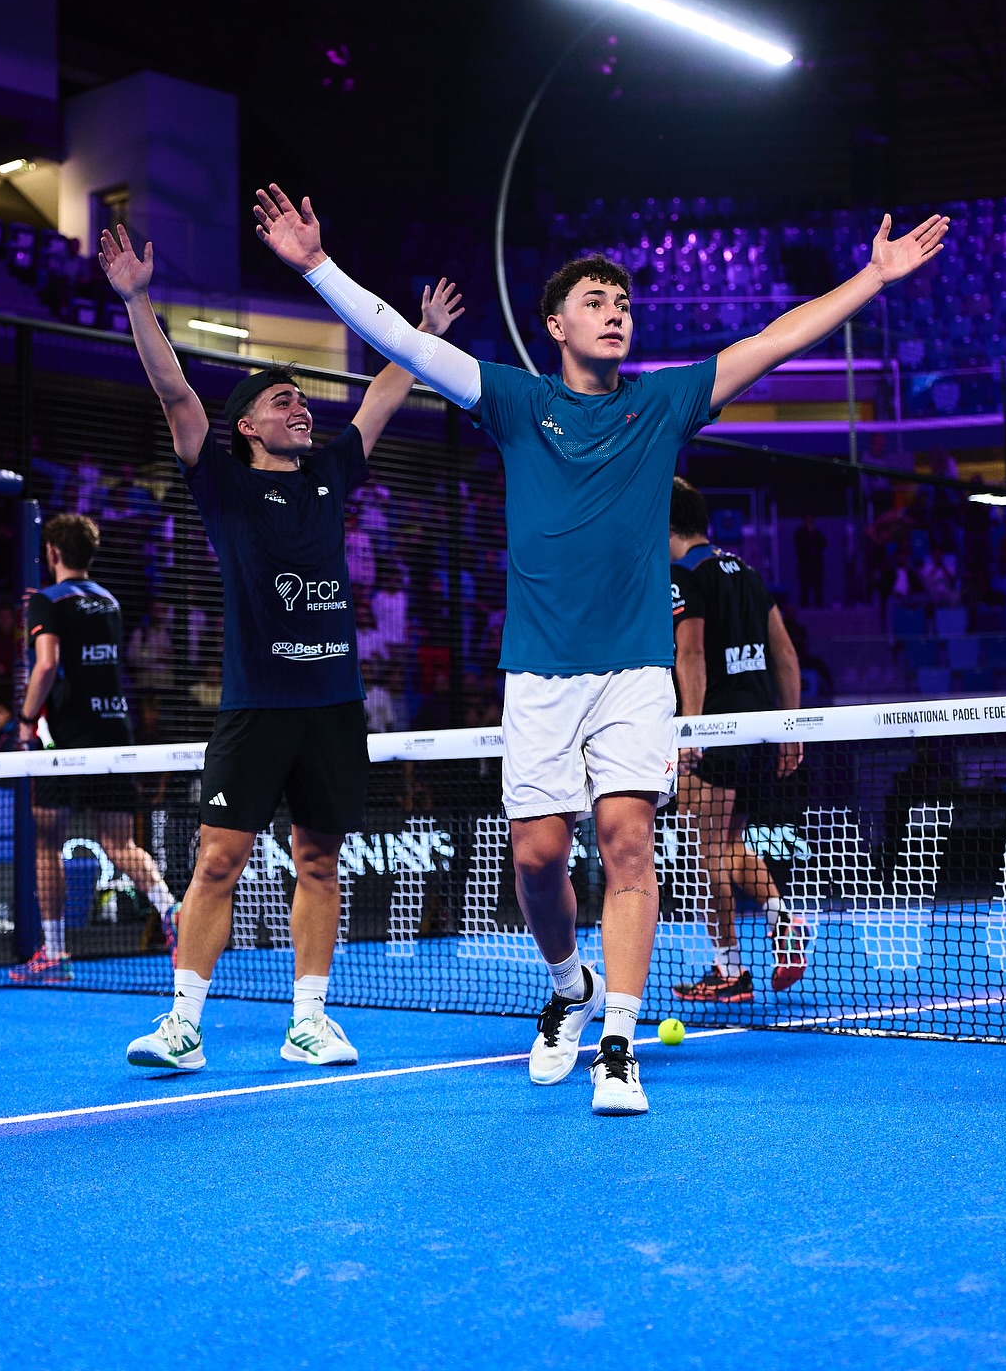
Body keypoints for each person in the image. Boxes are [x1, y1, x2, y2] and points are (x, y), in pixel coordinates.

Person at [255, 181, 947, 1115]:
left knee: (628, 843)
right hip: (538, 673)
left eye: (624, 305)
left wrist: (872, 277)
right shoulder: (510, 401)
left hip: (634, 670)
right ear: (554, 326)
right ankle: (569, 986)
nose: (616, 314)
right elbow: (404, 342)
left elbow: (774, 341)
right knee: (537, 859)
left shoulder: (660, 407)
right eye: (596, 303)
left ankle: (616, 1040)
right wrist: (316, 267)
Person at [100, 222, 464, 1075]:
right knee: (217, 860)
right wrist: (135, 299)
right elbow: (176, 394)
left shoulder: (332, 472)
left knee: (318, 859)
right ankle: (183, 1026)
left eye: (303, 399)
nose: (301, 407)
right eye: (282, 402)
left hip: (332, 708)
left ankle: (310, 1020)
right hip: (256, 707)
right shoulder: (221, 482)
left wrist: (426, 339)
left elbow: (384, 391)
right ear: (248, 430)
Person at [10, 512, 176, 986]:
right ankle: (174, 912)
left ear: (53, 554)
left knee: (48, 841)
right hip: (115, 731)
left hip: (66, 740)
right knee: (120, 844)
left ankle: (56, 951)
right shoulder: (109, 601)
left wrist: (25, 723)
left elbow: (47, 666)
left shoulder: (45, 600)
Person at [666, 476, 807, 1003]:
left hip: (715, 732)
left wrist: (690, 734)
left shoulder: (684, 573)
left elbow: (692, 654)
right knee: (725, 847)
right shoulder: (745, 571)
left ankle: (729, 968)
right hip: (760, 730)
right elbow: (786, 654)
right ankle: (783, 921)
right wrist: (790, 728)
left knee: (707, 854)